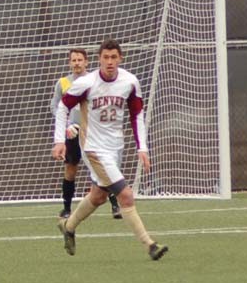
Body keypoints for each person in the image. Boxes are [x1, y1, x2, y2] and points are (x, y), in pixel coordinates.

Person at [52, 40, 168, 260]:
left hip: (116, 147)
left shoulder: (130, 82)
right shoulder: (87, 83)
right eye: (106, 57)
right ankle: (150, 245)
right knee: (125, 194)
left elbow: (136, 115)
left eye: (114, 57)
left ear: (120, 59)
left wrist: (142, 147)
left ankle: (68, 226)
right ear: (99, 59)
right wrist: (59, 140)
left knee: (98, 196)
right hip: (94, 149)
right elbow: (62, 106)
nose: (110, 62)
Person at [52, 48, 121, 220]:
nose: (77, 63)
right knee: (70, 168)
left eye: (79, 60)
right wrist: (67, 125)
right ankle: (67, 208)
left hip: (93, 133)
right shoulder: (63, 83)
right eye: (73, 60)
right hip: (73, 133)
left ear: (86, 62)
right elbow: (55, 107)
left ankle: (115, 206)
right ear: (69, 63)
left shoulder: (95, 81)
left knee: (105, 168)